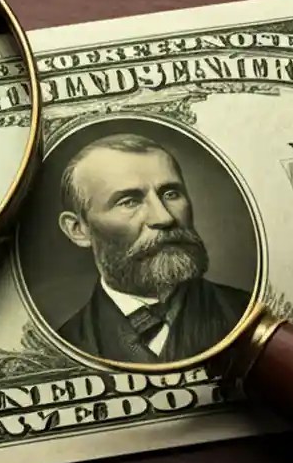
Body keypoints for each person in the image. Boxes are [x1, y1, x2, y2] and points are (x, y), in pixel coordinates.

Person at [54, 132, 250, 363]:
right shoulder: (63, 348)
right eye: (129, 201)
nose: (164, 218)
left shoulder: (246, 312)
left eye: (171, 194)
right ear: (78, 229)